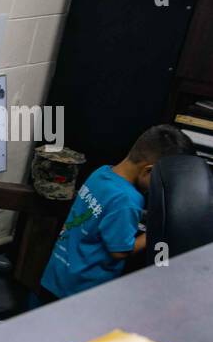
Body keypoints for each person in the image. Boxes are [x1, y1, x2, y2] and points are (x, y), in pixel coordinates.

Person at [38, 124, 195, 302]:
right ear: (148, 170)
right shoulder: (128, 200)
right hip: (82, 291)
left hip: (57, 275)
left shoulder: (101, 173)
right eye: (163, 182)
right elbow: (120, 251)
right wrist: (155, 229)